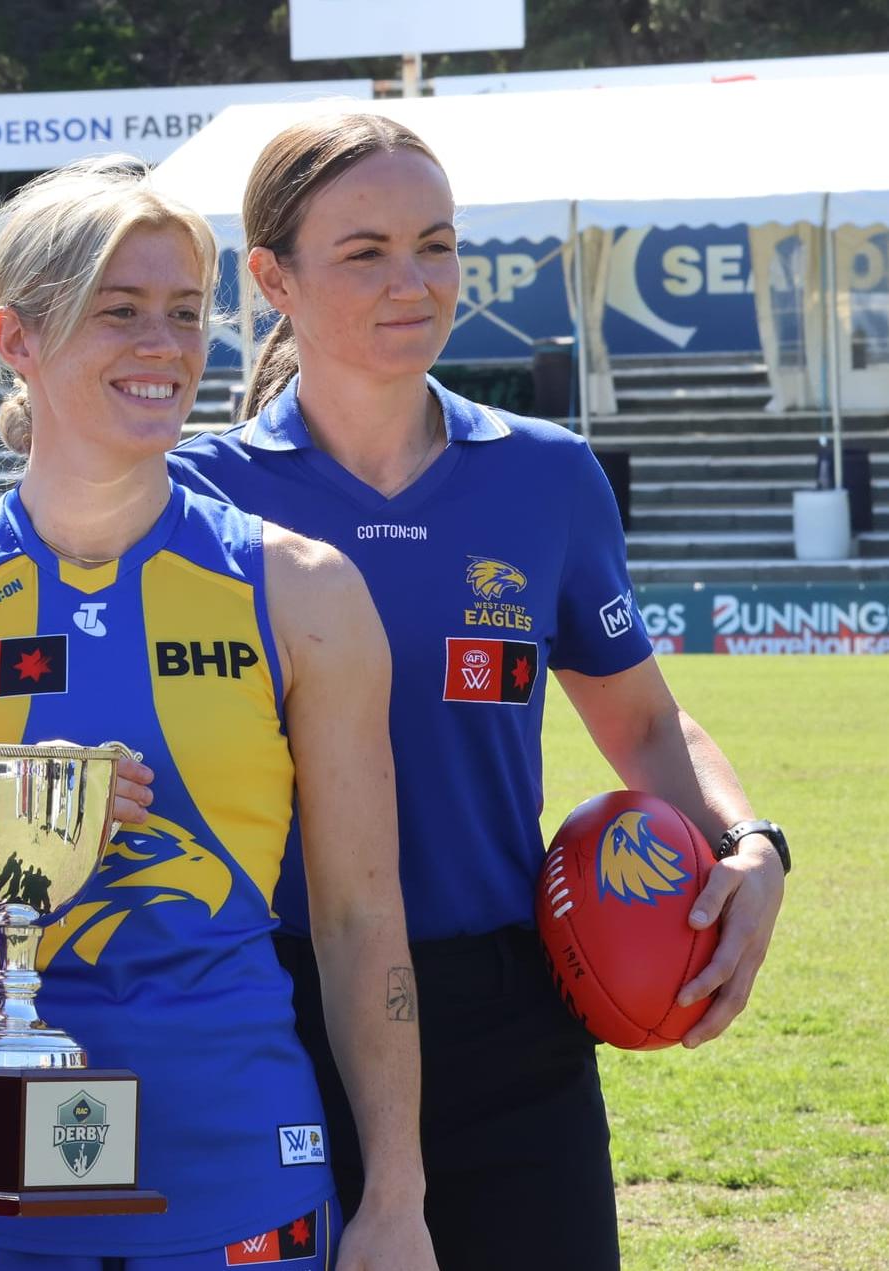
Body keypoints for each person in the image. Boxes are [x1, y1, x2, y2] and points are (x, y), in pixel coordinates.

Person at [168, 112, 790, 1270]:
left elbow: (644, 722)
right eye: (363, 252)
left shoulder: (542, 475)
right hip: (267, 1010)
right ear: (270, 279)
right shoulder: (191, 499)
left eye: (436, 243)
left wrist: (752, 846)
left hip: (510, 1011)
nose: (413, 281)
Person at [0, 157, 439, 1271]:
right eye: (120, 311)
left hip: (235, 1151)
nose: (165, 346)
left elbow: (356, 919)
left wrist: (394, 1193)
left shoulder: (302, 589)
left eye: (185, 314)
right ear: (17, 339)